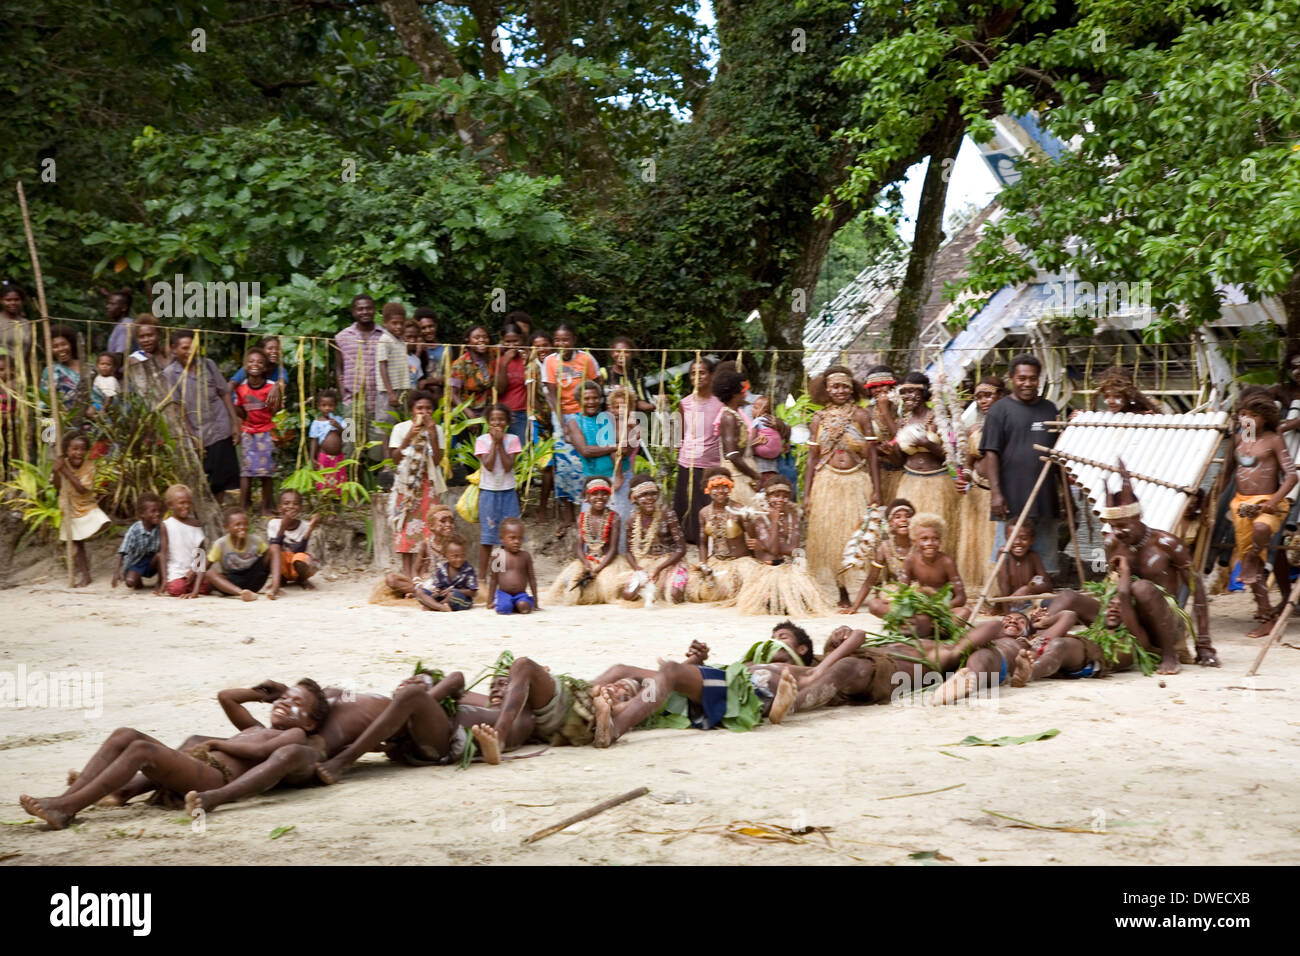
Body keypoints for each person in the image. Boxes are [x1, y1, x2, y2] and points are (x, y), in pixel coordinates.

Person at [20, 680, 330, 830]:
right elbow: (226, 697)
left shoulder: (296, 735)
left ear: (310, 721)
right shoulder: (255, 725)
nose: (287, 703)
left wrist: (218, 744)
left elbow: (261, 751)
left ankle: (67, 809)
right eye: (286, 697)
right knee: (125, 734)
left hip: (214, 777)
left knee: (142, 750)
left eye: (296, 703)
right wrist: (266, 695)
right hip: (202, 765)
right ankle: (66, 800)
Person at [1102, 460, 1218, 670]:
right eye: (1112, 526)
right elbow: (1112, 587)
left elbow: (1196, 587)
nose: (1117, 532)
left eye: (1122, 526)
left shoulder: (1167, 544)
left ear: (1138, 516)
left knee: (1142, 587)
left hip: (1167, 624)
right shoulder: (1112, 543)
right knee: (1070, 598)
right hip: (1127, 620)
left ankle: (1169, 655)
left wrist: (1204, 643)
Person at [805, 366, 881, 605]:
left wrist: (877, 489)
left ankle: (859, 587)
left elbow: (872, 457)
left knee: (853, 535)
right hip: (827, 481)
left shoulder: (861, 416)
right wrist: (806, 494)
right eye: (835, 386)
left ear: (852, 389)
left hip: (856, 481)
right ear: (826, 389)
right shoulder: (818, 419)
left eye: (845, 386)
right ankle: (842, 592)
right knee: (830, 537)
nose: (840, 391)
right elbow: (811, 458)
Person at [1225, 393, 1298, 635]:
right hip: (1241, 505)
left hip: (1269, 502)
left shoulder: (1274, 439)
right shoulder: (1238, 440)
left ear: (1266, 418)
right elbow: (1227, 472)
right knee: (1248, 555)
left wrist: (1274, 501)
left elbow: (1291, 476)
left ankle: (1254, 557)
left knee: (1261, 529)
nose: (1247, 419)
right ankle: (1265, 615)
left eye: (1253, 415)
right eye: (1243, 414)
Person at [981, 354, 1061, 573]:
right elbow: (991, 453)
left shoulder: (1050, 409)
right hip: (1010, 496)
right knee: (1007, 553)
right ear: (1011, 379)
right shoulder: (999, 410)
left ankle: (1042, 601)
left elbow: (1060, 454)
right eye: (1022, 378)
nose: (1027, 383)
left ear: (1039, 379)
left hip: (1045, 495)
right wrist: (996, 494)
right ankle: (1007, 600)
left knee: (1046, 557)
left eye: (1033, 378)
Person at [889, 372, 962, 563]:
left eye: (912, 391)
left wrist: (929, 444)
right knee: (912, 529)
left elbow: (952, 455)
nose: (907, 396)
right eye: (903, 392)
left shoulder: (939, 418)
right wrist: (891, 451)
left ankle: (939, 570)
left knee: (935, 529)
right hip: (910, 481)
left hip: (938, 482)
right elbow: (899, 461)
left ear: (924, 392)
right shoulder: (902, 422)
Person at [734, 474, 830, 616]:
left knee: (796, 600)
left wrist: (763, 545)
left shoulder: (794, 517)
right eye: (776, 495)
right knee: (770, 601)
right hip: (766, 570)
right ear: (767, 497)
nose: (780, 499)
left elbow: (793, 550)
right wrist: (774, 522)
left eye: (784, 496)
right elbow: (774, 550)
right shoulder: (760, 520)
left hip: (788, 569)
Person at [164, 329, 241, 498]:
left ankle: (220, 515)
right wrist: (192, 437)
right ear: (174, 349)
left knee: (223, 479)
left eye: (193, 347)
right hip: (199, 433)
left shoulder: (208, 365)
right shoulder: (170, 374)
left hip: (220, 427)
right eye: (185, 348)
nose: (190, 351)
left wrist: (235, 423)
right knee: (203, 480)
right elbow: (178, 408)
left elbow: (224, 392)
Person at [388, 390, 448, 578]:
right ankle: (407, 576)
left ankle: (423, 573)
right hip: (406, 487)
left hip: (428, 487)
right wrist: (407, 438)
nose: (424, 412)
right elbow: (395, 459)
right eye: (419, 408)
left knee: (429, 529)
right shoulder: (400, 428)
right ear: (412, 411)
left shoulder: (437, 430)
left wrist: (432, 433)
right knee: (406, 528)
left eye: (428, 408)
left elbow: (437, 460)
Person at [954, 375, 1004, 590]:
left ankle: (996, 590)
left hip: (998, 493)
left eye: (988, 395)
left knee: (996, 543)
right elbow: (970, 458)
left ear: (1000, 395)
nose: (983, 401)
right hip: (977, 491)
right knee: (977, 544)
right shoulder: (973, 428)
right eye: (979, 397)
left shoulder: (1008, 423)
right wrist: (964, 475)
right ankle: (978, 589)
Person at [547, 476, 629, 604]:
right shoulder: (582, 517)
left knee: (607, 588)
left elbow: (613, 549)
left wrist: (598, 568)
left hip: (608, 561)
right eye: (595, 493)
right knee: (571, 584)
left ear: (609, 496)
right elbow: (579, 547)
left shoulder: (614, 517)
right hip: (588, 560)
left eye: (604, 493)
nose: (600, 497)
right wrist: (585, 563)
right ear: (587, 497)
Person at [686, 468, 756, 603]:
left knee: (733, 591)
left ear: (730, 487)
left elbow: (753, 539)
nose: (720, 491)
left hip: (740, 562)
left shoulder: (739, 510)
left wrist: (757, 564)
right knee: (699, 591)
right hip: (717, 561)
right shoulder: (704, 513)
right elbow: (703, 544)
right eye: (715, 487)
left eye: (724, 486)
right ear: (708, 489)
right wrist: (704, 565)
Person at [674, 357, 723, 545]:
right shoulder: (685, 403)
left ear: (711, 375)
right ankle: (688, 538)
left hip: (712, 462)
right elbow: (680, 431)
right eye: (693, 373)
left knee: (709, 500)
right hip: (689, 460)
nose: (697, 377)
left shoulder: (720, 403)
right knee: (688, 501)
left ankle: (711, 538)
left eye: (702, 372)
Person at [333, 293, 386, 462]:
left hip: (379, 401)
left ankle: (376, 486)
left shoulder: (385, 336)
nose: (365, 312)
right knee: (349, 444)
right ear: (353, 312)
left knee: (377, 449)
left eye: (368, 308)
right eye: (360, 309)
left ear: (374, 310)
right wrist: (343, 395)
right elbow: (338, 368)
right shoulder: (342, 337)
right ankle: (350, 484)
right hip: (352, 402)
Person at [621, 475, 689, 604]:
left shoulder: (667, 514)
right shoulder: (632, 519)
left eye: (653, 494)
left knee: (674, 595)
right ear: (634, 498)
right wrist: (638, 569)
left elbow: (681, 549)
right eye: (644, 495)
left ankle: (666, 585)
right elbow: (628, 552)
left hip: (670, 562)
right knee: (628, 595)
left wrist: (659, 568)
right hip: (646, 563)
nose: (649, 498)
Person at [475, 403, 522, 586]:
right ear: (488, 422)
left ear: (507, 422)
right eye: (493, 419)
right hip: (488, 493)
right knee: (488, 539)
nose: (497, 422)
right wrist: (494, 443)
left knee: (506, 539)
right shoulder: (482, 440)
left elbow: (508, 465)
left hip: (508, 493)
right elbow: (488, 465)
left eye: (501, 419)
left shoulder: (513, 439)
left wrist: (500, 443)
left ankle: (499, 575)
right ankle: (481, 579)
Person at [53, 433, 109, 586]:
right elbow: (57, 486)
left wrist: (65, 471)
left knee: (97, 525)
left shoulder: (89, 466)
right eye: (74, 449)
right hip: (69, 508)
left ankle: (86, 574)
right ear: (66, 450)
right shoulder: (62, 463)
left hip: (86, 507)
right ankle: (85, 576)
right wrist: (56, 471)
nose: (78, 452)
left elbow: (81, 489)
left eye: (82, 449)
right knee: (77, 545)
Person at [843, 498, 915, 615]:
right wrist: (854, 607)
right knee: (876, 604)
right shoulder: (885, 548)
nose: (903, 520)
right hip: (896, 592)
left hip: (918, 591)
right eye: (897, 517)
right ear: (890, 523)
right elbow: (870, 580)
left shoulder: (920, 543)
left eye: (907, 516)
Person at [233, 347, 280, 515]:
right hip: (247, 432)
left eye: (260, 362)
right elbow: (238, 408)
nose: (255, 365)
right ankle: (243, 507)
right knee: (246, 472)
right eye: (251, 361)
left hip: (266, 432)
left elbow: (276, 410)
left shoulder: (271, 387)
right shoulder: (241, 388)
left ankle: (266, 507)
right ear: (246, 365)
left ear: (265, 367)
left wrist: (277, 390)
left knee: (266, 471)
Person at [712, 361, 762, 507]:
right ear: (734, 394)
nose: (745, 395)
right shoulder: (728, 416)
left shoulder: (733, 414)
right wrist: (754, 475)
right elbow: (732, 454)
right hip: (736, 475)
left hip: (742, 471)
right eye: (742, 392)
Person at [204, 506, 271, 600]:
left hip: (253, 580)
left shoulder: (255, 541)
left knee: (273, 549)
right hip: (231, 583)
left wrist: (275, 585)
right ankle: (242, 593)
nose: (242, 527)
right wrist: (194, 590)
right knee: (210, 573)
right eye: (237, 524)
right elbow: (204, 567)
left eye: (245, 524)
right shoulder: (220, 544)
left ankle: (274, 589)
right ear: (226, 527)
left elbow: (271, 555)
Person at [159, 483, 210, 597]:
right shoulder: (166, 525)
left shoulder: (196, 524)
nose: (186, 506)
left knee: (206, 586)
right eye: (181, 503)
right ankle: (184, 586)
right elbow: (163, 554)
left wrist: (194, 571)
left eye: (188, 503)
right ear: (170, 505)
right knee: (177, 588)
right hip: (176, 572)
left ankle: (193, 588)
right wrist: (164, 579)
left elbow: (200, 555)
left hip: (194, 572)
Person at [266, 488, 320, 599]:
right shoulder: (274, 523)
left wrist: (310, 528)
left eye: (295, 504)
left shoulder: (305, 526)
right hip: (282, 565)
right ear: (279, 508)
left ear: (301, 508)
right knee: (272, 553)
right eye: (286, 503)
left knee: (301, 557)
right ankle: (280, 579)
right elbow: (275, 546)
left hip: (296, 564)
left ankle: (302, 579)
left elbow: (300, 550)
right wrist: (283, 526)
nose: (290, 506)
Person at [542, 323, 600, 419]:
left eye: (565, 340)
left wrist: (591, 409)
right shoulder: (549, 361)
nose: (561, 344)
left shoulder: (586, 358)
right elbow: (552, 394)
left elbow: (596, 384)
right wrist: (562, 424)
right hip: (561, 413)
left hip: (584, 412)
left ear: (574, 339)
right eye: (557, 340)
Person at [862, 365, 901, 500]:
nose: (878, 389)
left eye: (883, 385)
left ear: (892, 386)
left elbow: (902, 439)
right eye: (874, 386)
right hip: (876, 471)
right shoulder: (866, 412)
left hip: (901, 471)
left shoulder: (903, 409)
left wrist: (885, 411)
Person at [487, 516, 538, 614]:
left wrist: (536, 601)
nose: (517, 542)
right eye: (512, 538)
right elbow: (493, 579)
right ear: (502, 538)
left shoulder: (525, 556)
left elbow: (532, 579)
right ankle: (507, 603)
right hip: (503, 593)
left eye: (520, 538)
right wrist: (490, 600)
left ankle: (523, 602)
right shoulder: (498, 555)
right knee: (504, 608)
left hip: (521, 594)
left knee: (524, 607)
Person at [112, 492, 163, 590]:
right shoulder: (134, 530)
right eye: (153, 511)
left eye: (158, 510)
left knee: (160, 556)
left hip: (152, 562)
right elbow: (122, 551)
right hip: (136, 563)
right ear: (142, 514)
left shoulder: (161, 528)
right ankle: (137, 580)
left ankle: (160, 582)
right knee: (130, 582)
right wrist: (116, 573)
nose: (157, 514)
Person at [990, 520, 1053, 598]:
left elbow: (1047, 585)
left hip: (1030, 601)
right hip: (1010, 602)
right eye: (1013, 538)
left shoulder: (1033, 557)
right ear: (1006, 539)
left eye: (1024, 538)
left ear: (1032, 540)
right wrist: (1007, 609)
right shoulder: (1005, 556)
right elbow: (1003, 585)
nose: (1017, 542)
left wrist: (1028, 589)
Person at [415, 534, 478, 611]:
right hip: (444, 598)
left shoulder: (468, 570)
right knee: (419, 592)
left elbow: (473, 592)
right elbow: (438, 587)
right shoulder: (441, 569)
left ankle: (433, 606)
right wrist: (436, 592)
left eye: (462, 555)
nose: (459, 559)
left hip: (461, 600)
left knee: (452, 595)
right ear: (445, 555)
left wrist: (455, 591)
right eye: (455, 556)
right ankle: (440, 607)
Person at [449, 324, 496, 420]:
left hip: (486, 412)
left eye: (485, 337)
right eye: (476, 338)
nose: (482, 340)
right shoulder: (459, 364)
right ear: (468, 341)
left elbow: (505, 345)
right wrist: (468, 413)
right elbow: (452, 393)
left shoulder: (491, 357)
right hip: (465, 413)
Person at [493, 323, 530, 443]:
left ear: (521, 340)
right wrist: (504, 364)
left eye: (515, 341)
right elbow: (500, 389)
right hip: (502, 414)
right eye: (507, 342)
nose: (512, 345)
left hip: (522, 412)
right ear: (502, 341)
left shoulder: (527, 358)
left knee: (521, 450)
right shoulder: (497, 359)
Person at [376, 302, 411, 420]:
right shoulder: (385, 340)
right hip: (389, 391)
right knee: (386, 425)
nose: (399, 327)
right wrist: (390, 393)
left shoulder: (400, 340)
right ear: (385, 323)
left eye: (401, 323)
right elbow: (382, 366)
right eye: (394, 323)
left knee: (400, 423)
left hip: (401, 389)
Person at [308, 388, 347, 492]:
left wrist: (338, 426)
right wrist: (312, 457)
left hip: (338, 458)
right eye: (324, 405)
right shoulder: (317, 423)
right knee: (324, 482)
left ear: (335, 406)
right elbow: (314, 441)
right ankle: (325, 504)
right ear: (319, 406)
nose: (327, 408)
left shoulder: (338, 420)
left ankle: (337, 505)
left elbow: (345, 435)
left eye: (330, 405)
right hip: (323, 457)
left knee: (339, 483)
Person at [601, 336, 654, 411]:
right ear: (612, 353)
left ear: (632, 354)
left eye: (626, 352)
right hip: (606, 418)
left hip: (630, 419)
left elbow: (641, 403)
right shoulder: (604, 372)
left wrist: (657, 404)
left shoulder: (636, 374)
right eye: (618, 351)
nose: (621, 355)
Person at [43, 323, 86, 410]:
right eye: (55, 346)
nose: (61, 349)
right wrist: (47, 424)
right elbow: (44, 404)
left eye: (64, 344)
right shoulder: (50, 371)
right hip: (64, 421)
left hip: (93, 421)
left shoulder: (87, 368)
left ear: (71, 344)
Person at [1093, 366, 1159, 414]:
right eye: (1106, 396)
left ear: (1128, 395)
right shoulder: (1104, 415)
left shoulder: (1142, 415)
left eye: (1117, 396)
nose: (1111, 401)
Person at [0, 281, 31, 370]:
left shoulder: (27, 323)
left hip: (19, 374)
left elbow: (28, 355)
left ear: (21, 301)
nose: (13, 303)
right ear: (1, 301)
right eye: (8, 300)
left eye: (16, 299)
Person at [102, 288, 134, 355]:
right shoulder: (122, 324)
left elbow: (120, 356)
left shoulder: (124, 327)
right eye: (108, 303)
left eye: (112, 304)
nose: (107, 306)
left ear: (124, 308)